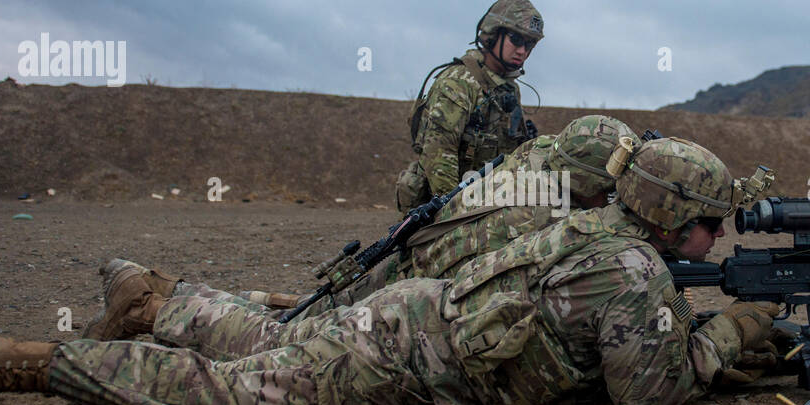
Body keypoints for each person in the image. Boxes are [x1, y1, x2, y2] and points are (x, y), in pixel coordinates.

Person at [0, 137, 781, 405]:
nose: (718, 238)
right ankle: (2, 363)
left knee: (273, 338)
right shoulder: (630, 269)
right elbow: (648, 393)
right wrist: (735, 331)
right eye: (713, 223)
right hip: (400, 360)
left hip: (404, 318)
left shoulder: (604, 228)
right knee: (243, 399)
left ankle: (157, 299)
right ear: (674, 219)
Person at [236, 114, 635, 318]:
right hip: (417, 285)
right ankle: (198, 308)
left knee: (325, 308)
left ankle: (238, 303)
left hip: (422, 252)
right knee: (309, 324)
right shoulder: (545, 219)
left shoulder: (540, 156)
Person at [395, 0, 544, 212]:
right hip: (445, 206)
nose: (522, 50)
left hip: (487, 201)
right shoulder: (459, 82)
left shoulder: (508, 88)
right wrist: (454, 214)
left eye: (529, 44)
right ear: (494, 35)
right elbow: (438, 156)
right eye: (516, 39)